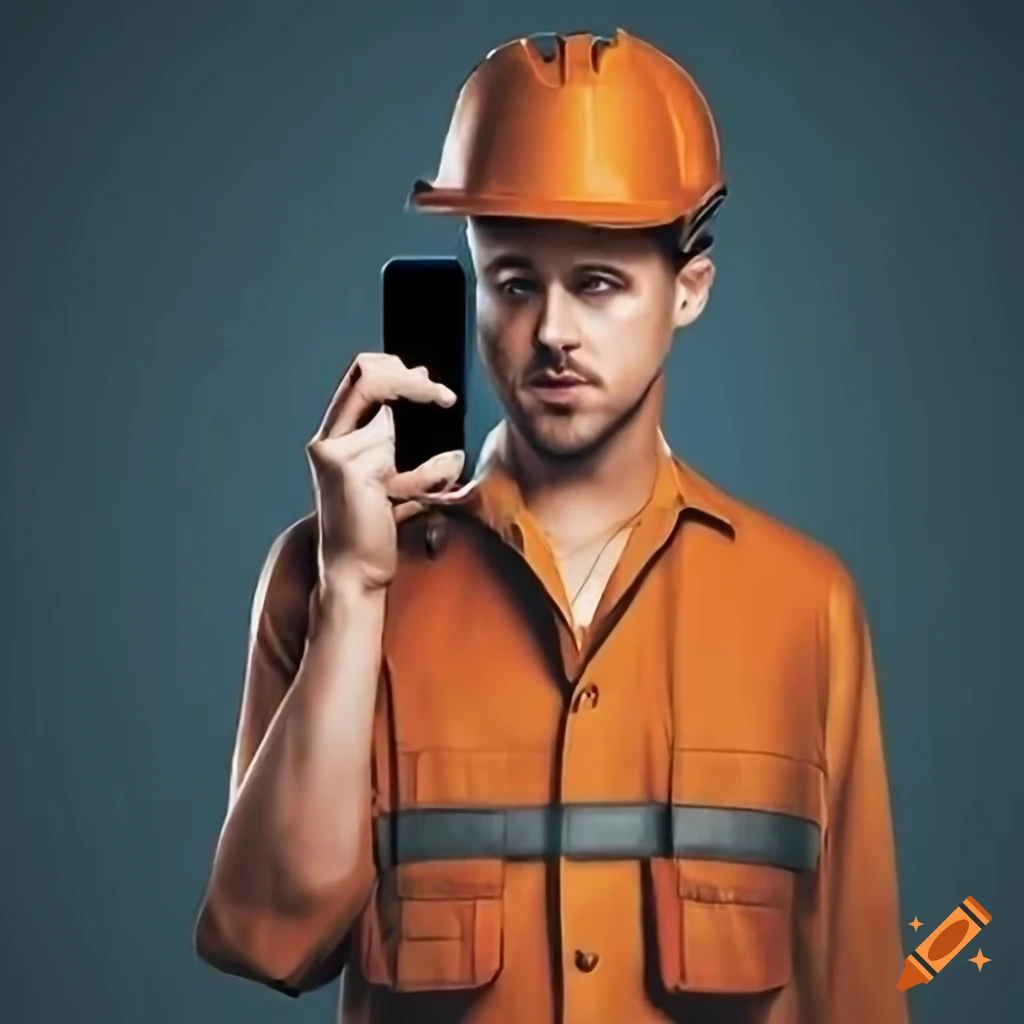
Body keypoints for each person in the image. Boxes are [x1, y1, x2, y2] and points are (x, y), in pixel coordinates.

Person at [194, 28, 909, 1024]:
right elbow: (266, 937)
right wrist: (355, 592)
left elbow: (858, 992)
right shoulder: (324, 575)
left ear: (687, 290)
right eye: (516, 281)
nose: (553, 332)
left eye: (600, 283)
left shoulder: (804, 605)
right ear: (473, 285)